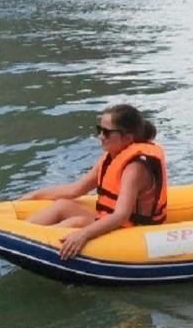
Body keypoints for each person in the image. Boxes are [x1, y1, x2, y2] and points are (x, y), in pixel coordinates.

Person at [24, 103, 168, 260]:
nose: (100, 136)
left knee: (77, 222)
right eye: (99, 130)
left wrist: (83, 235)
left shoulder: (135, 168)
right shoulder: (111, 156)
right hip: (112, 220)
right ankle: (22, 233)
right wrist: (34, 194)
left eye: (106, 132)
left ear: (127, 138)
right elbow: (75, 190)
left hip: (133, 230)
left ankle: (37, 247)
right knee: (62, 204)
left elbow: (121, 215)